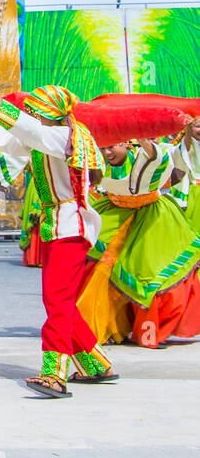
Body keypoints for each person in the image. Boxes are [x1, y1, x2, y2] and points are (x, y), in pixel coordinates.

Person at [0, 79, 116, 396]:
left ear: (51, 113)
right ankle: (94, 364)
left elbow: (31, 133)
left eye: (37, 110)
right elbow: (13, 144)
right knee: (60, 301)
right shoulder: (48, 136)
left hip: (70, 229)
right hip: (57, 226)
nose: (34, 115)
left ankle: (54, 374)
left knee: (57, 301)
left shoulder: (63, 136)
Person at [81, 139, 200, 349]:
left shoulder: (144, 156)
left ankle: (151, 328)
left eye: (113, 146)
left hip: (151, 219)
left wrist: (143, 137)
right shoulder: (99, 162)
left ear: (128, 144)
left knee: (148, 275)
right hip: (114, 214)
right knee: (98, 270)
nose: (107, 152)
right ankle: (105, 326)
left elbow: (159, 158)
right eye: (105, 147)